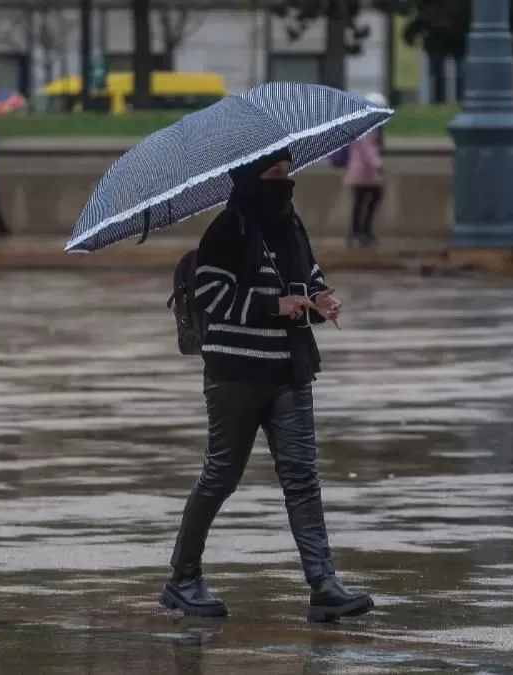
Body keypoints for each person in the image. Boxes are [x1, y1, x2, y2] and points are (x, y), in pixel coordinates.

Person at [160, 148, 375, 623]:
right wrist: (275, 306)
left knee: (302, 477)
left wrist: (320, 298)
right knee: (221, 475)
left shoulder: (290, 226)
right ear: (250, 177)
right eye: (273, 174)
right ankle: (183, 577)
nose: (284, 183)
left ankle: (323, 583)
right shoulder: (227, 229)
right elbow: (212, 295)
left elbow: (307, 273)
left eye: (287, 173)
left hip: (289, 370)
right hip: (236, 375)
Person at [346, 92, 386, 247]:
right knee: (362, 200)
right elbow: (366, 148)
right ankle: (359, 232)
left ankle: (362, 231)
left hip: (366, 171)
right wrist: (377, 164)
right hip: (363, 171)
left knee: (366, 199)